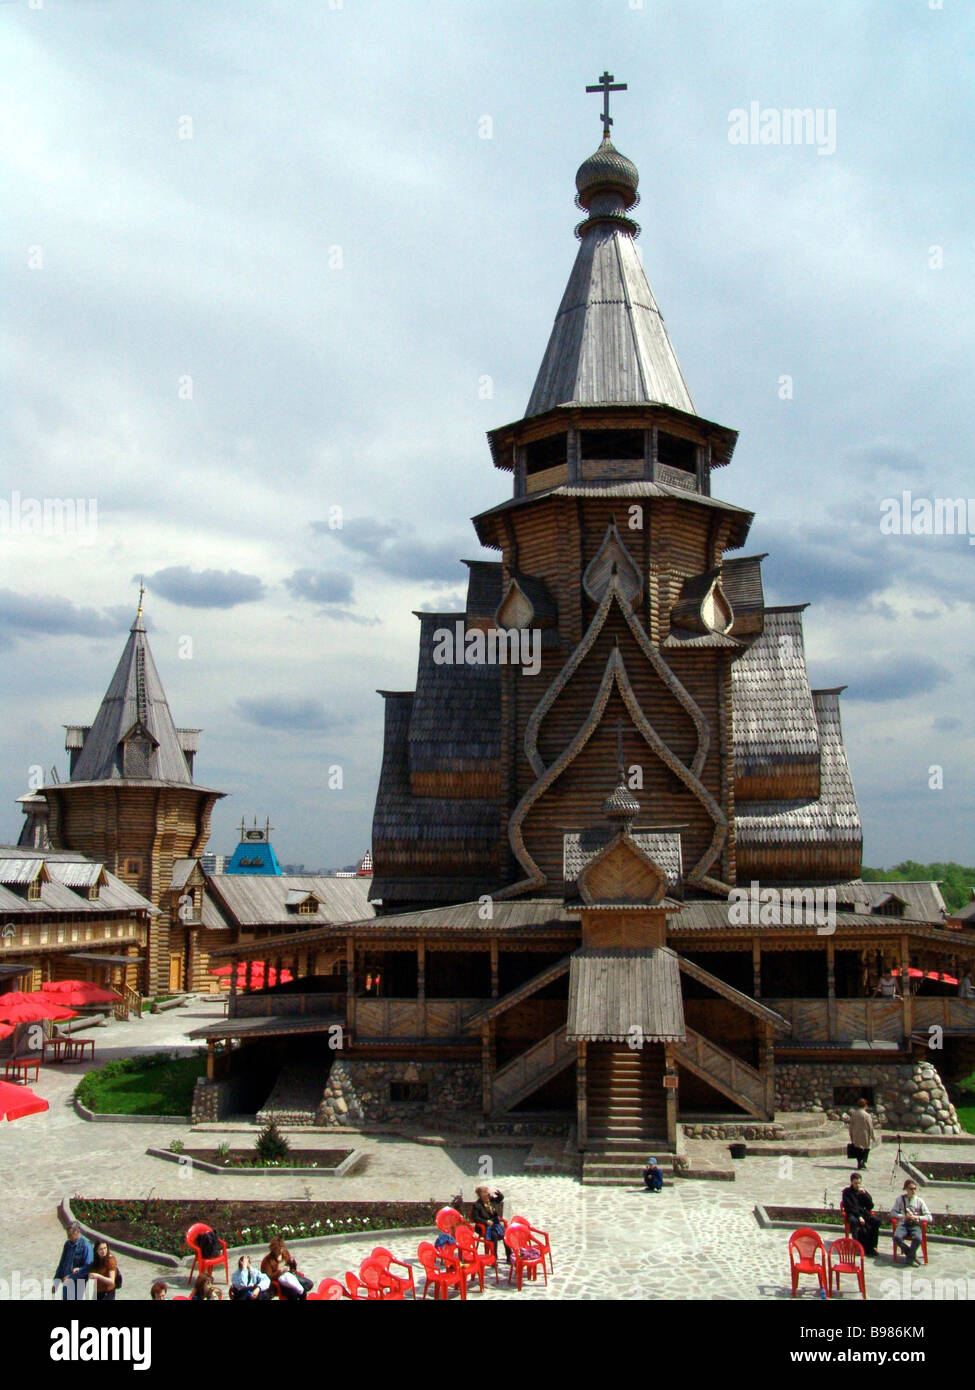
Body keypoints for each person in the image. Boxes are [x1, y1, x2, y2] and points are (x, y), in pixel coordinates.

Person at [891, 1180, 932, 1267]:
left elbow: (929, 1217)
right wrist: (903, 1216)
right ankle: (911, 1255)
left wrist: (917, 1217)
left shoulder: (919, 1201)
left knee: (917, 1238)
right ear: (906, 1189)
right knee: (897, 1237)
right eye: (911, 1189)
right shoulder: (900, 1199)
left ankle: (910, 1257)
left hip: (914, 1224)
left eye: (914, 1189)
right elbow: (893, 1213)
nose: (913, 1191)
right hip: (903, 1223)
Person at [841, 1172, 880, 1256]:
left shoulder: (862, 1192)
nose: (857, 1185)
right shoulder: (846, 1192)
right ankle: (857, 1245)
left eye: (859, 1183)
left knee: (876, 1221)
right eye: (855, 1183)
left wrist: (865, 1194)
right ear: (851, 1182)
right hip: (852, 1214)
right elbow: (849, 1207)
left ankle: (872, 1246)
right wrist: (859, 1216)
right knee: (854, 1222)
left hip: (863, 1213)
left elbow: (870, 1206)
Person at [53, 1224, 93, 1301]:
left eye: (70, 1235)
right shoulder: (67, 1244)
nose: (68, 1237)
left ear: (77, 1232)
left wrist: (71, 1277)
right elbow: (62, 1263)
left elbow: (88, 1266)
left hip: (78, 1283)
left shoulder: (86, 1245)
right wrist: (56, 1282)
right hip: (66, 1282)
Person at [470, 1186, 508, 1261]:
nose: (488, 1195)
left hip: (494, 1224)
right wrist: (486, 1222)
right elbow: (476, 1218)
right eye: (486, 1194)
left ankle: (509, 1256)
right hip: (484, 1226)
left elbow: (500, 1198)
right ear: (482, 1195)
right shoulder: (477, 1205)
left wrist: (498, 1193)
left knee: (506, 1234)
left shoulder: (490, 1200)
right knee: (494, 1235)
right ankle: (494, 1257)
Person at [847, 1098, 877, 1170]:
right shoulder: (867, 1115)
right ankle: (863, 1162)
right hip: (865, 1134)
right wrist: (873, 1136)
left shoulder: (854, 1114)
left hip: (856, 1134)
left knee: (858, 1148)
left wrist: (851, 1134)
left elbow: (851, 1125)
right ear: (865, 1105)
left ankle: (859, 1162)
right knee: (867, 1148)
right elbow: (870, 1126)